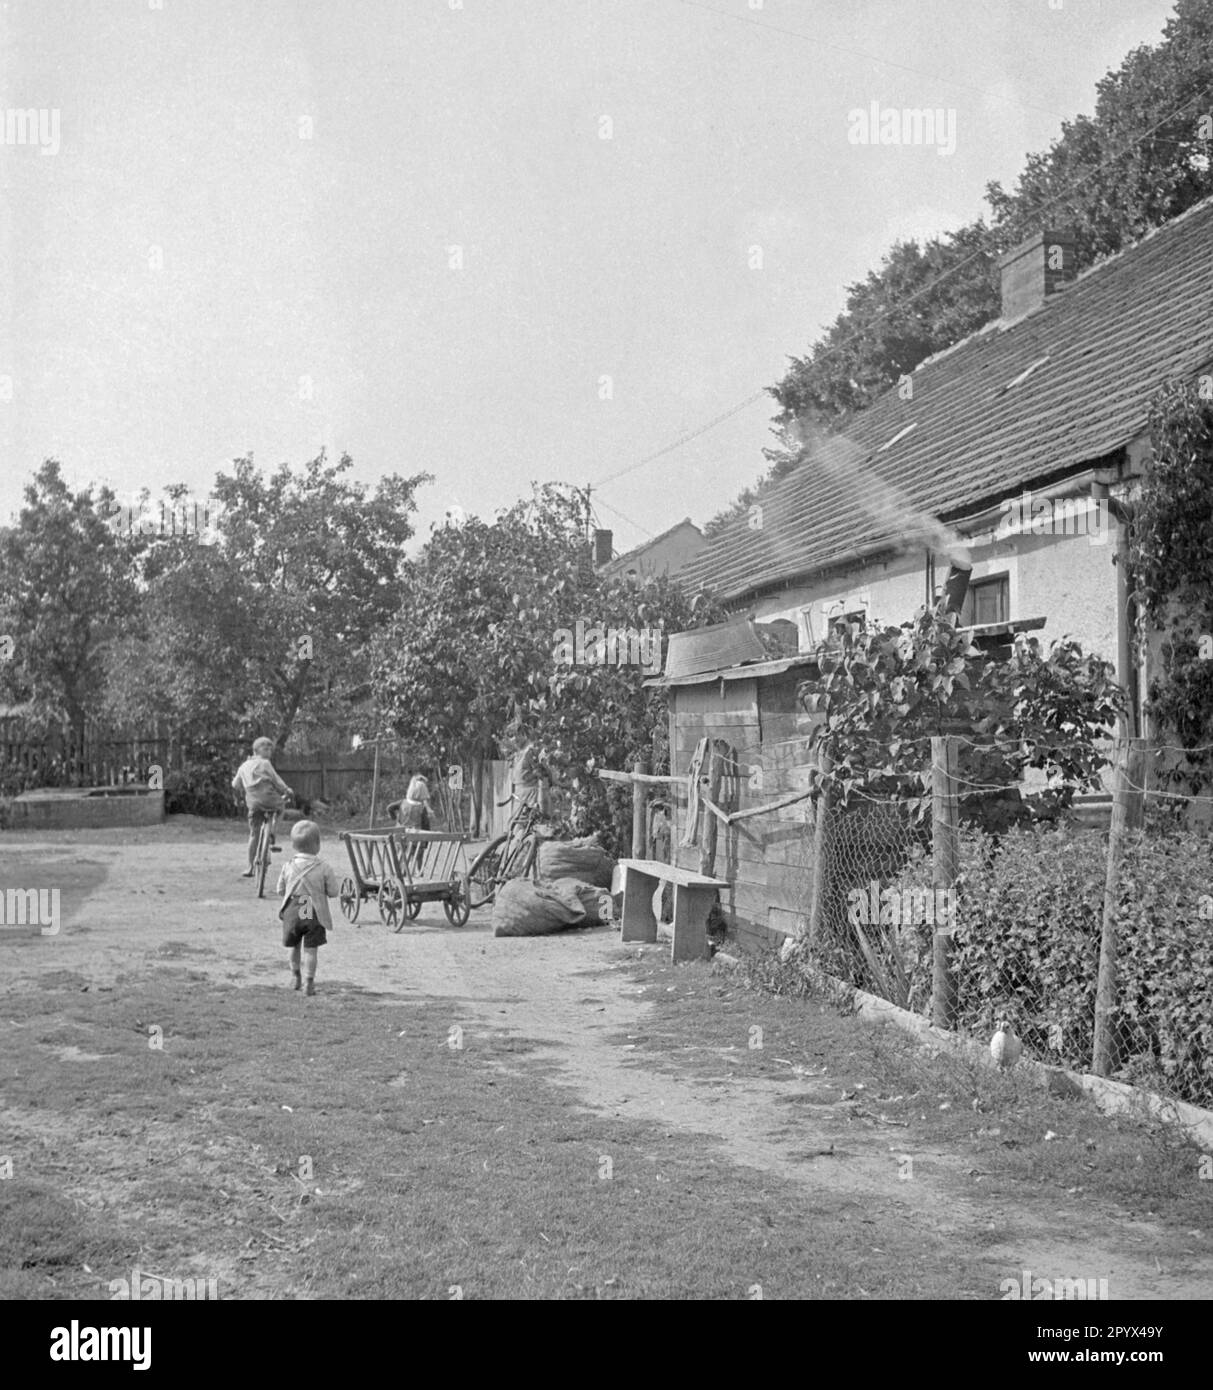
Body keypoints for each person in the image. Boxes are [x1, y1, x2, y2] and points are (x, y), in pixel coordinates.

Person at [276, 819, 340, 995]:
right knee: (311, 950)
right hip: (313, 912)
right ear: (318, 844)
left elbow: (280, 890)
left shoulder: (288, 866)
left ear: (293, 845)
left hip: (293, 911)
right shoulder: (324, 867)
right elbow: (334, 892)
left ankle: (295, 976)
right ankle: (309, 982)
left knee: (294, 947)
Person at [232, 737, 294, 878]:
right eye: (265, 747)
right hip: (268, 797)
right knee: (281, 807)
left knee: (254, 834)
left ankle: (249, 867)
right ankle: (272, 831)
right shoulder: (265, 763)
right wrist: (287, 790)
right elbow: (276, 780)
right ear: (256, 750)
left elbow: (235, 785)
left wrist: (246, 787)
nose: (268, 750)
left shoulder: (243, 766)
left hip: (253, 802)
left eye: (270, 748)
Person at [509, 723, 551, 812]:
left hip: (530, 795)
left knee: (526, 824)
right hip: (519, 795)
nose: (514, 739)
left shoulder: (530, 751)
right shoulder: (518, 752)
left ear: (524, 735)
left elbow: (539, 772)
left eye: (517, 735)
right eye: (511, 736)